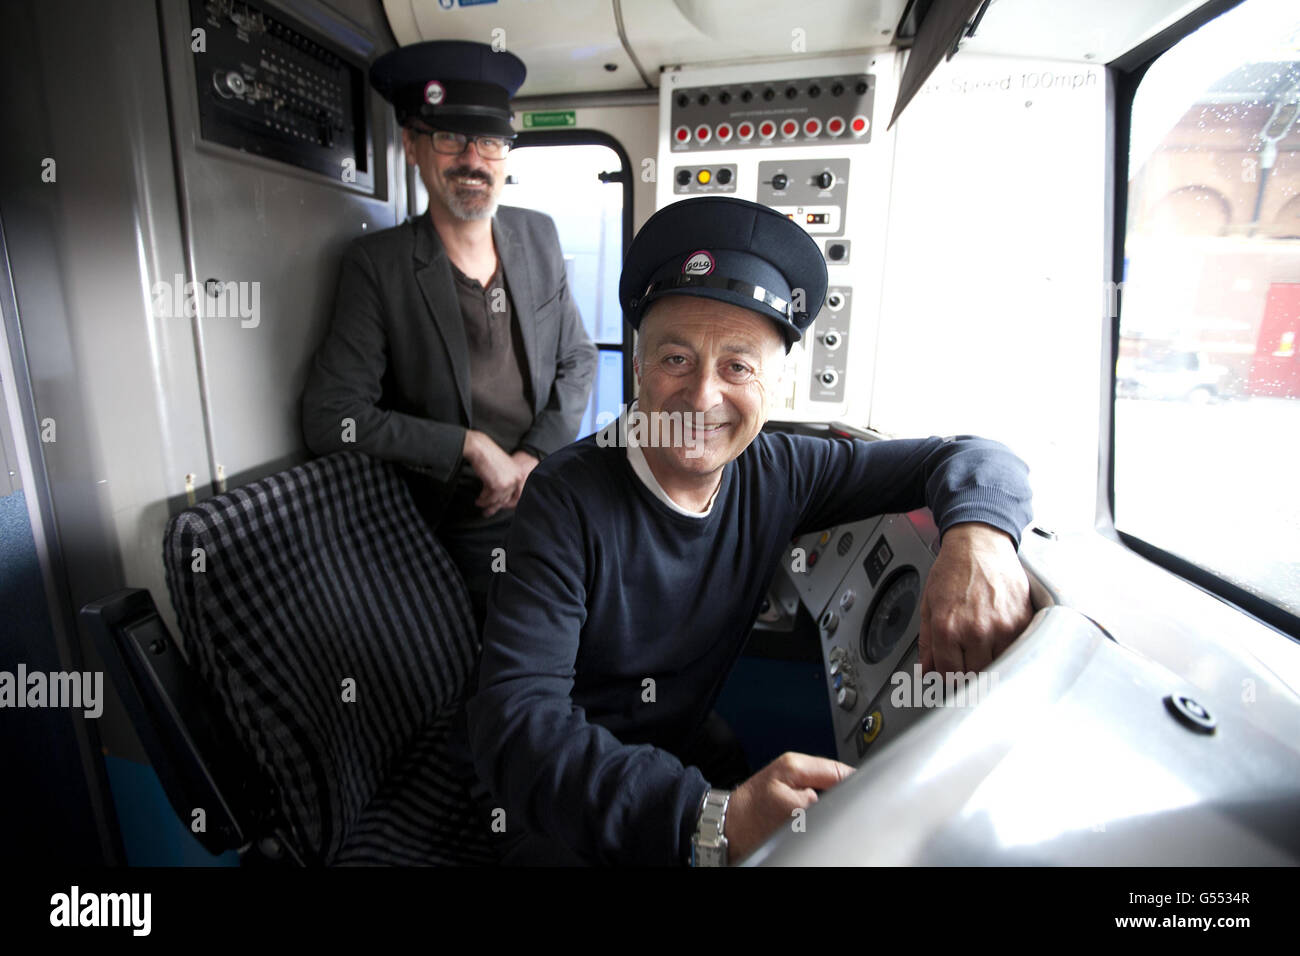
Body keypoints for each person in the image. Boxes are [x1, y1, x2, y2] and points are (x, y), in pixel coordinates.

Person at [467, 196, 1035, 866]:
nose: (703, 396)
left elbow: (969, 454)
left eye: (738, 366)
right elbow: (517, 728)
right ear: (640, 368)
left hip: (676, 749)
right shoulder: (566, 498)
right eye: (676, 359)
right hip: (561, 798)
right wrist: (710, 816)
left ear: (776, 386)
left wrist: (979, 537)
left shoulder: (782, 470)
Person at [301, 40, 596, 626]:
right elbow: (331, 415)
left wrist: (531, 457)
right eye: (449, 138)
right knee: (522, 645)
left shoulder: (538, 235)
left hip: (550, 485)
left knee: (616, 610)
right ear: (412, 145)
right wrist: (469, 446)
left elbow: (579, 360)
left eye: (490, 141)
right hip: (460, 521)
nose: (474, 160)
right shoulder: (377, 264)